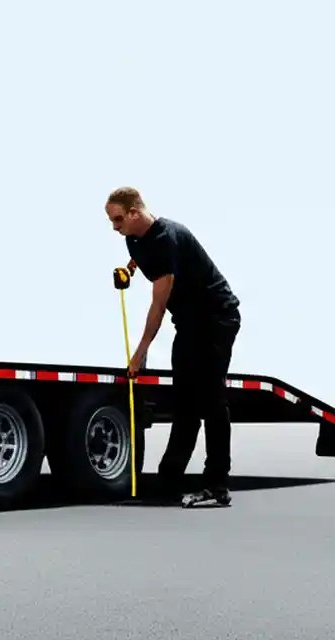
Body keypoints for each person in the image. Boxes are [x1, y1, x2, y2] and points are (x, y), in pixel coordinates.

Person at [105, 187, 242, 507]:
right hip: (190, 323)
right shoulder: (134, 238)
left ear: (135, 213)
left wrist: (139, 353)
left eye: (118, 219)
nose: (114, 227)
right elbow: (141, 254)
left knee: (211, 400)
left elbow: (158, 306)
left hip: (216, 318)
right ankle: (169, 480)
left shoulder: (169, 238)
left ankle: (217, 485)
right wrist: (129, 270)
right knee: (185, 401)